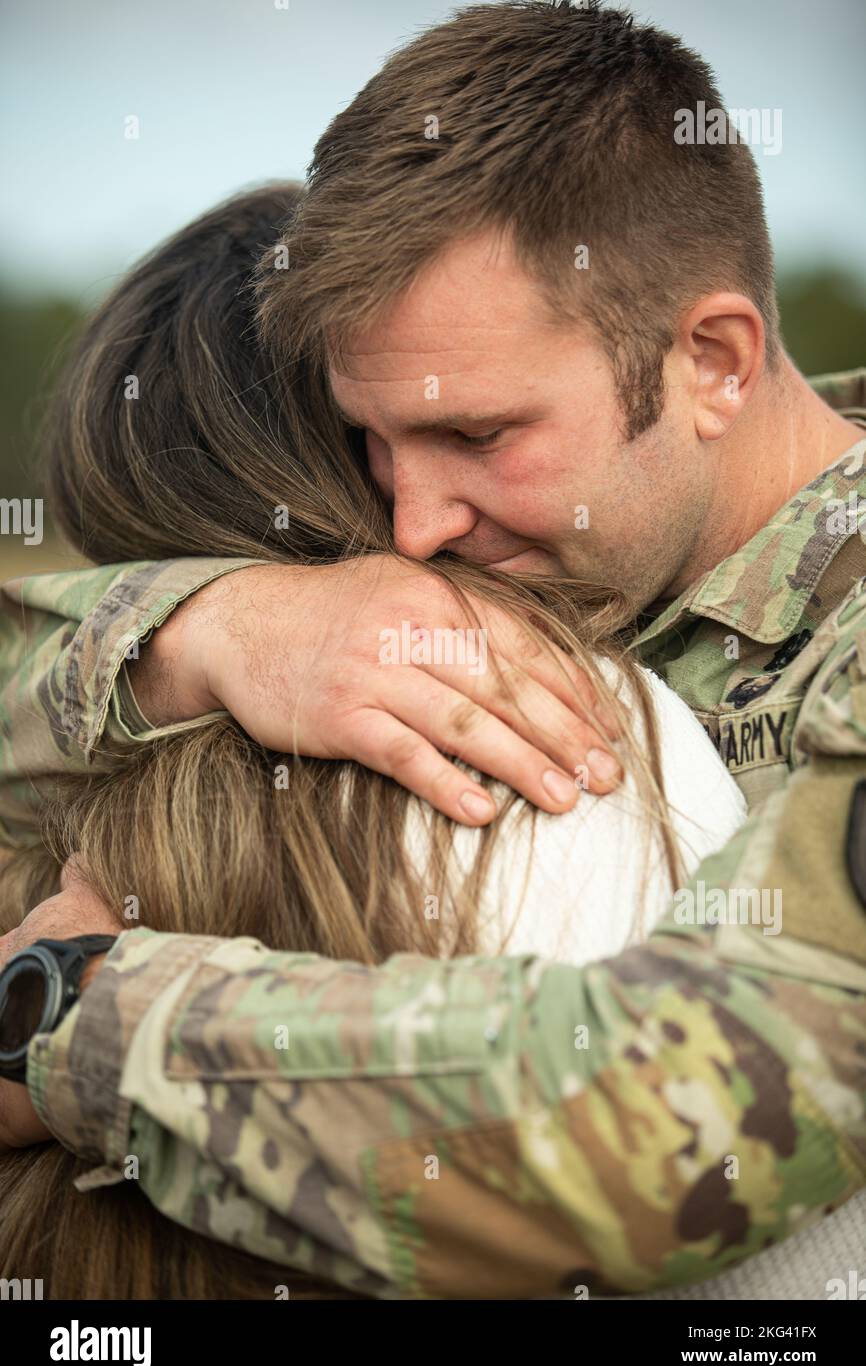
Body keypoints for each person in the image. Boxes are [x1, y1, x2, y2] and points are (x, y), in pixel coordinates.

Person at [1, 1, 865, 1299]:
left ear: (712, 363)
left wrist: (71, 1015)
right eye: (372, 445)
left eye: (476, 436)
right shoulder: (573, 543)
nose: (409, 524)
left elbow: (661, 1130)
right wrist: (199, 633)